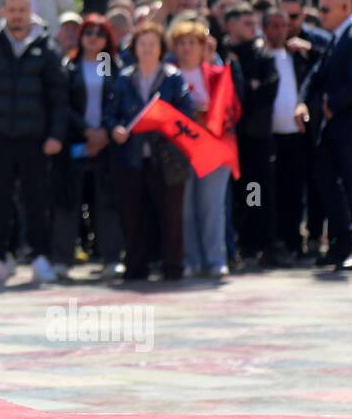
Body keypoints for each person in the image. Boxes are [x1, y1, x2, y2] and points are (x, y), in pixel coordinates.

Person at [0, 0, 68, 284]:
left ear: (30, 11)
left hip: (35, 141)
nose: (17, 16)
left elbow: (59, 99)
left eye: (22, 10)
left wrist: (56, 135)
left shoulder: (47, 48)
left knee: (37, 202)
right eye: (12, 10)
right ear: (2, 12)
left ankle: (41, 258)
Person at [295, 0, 352, 272]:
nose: (320, 14)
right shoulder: (337, 38)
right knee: (325, 179)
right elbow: (316, 74)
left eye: (325, 9)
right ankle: (340, 244)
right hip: (333, 128)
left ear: (345, 8)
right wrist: (303, 102)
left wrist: (331, 103)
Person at [107, 22, 193, 282]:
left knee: (170, 213)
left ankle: (172, 265)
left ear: (161, 48)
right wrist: (116, 128)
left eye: (152, 44)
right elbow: (110, 114)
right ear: (135, 48)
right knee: (133, 212)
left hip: (165, 156)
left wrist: (164, 122)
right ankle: (136, 264)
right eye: (142, 44)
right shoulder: (124, 78)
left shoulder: (173, 77)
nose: (147, 49)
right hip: (132, 156)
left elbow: (185, 112)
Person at [52, 14, 123, 279]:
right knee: (68, 201)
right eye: (88, 32)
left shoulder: (109, 65)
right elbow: (64, 105)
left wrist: (103, 131)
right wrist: (86, 131)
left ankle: (111, 258)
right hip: (75, 142)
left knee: (107, 201)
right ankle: (62, 259)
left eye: (99, 33)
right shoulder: (70, 66)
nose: (93, 38)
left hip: (106, 144)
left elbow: (114, 100)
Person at [171, 18, 238, 279]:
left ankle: (215, 259)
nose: (187, 48)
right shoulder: (169, 75)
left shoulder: (217, 74)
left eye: (192, 43)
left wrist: (208, 115)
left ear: (202, 46)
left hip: (213, 150)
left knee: (212, 207)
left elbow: (233, 110)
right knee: (185, 208)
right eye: (181, 43)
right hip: (181, 149)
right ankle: (191, 260)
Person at [224, 3, 280, 267]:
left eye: (253, 23)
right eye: (246, 23)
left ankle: (259, 242)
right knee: (234, 193)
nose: (252, 28)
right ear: (231, 25)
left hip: (255, 138)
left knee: (255, 190)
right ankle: (239, 242)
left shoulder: (262, 56)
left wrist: (249, 91)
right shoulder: (223, 53)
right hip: (231, 137)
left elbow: (267, 90)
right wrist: (249, 88)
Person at [263, 6, 315, 259]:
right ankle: (271, 241)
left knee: (294, 190)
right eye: (274, 25)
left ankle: (295, 240)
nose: (280, 31)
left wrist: (309, 49)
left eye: (284, 25)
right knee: (265, 192)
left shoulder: (297, 56)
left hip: (295, 134)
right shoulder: (260, 57)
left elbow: (322, 66)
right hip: (267, 136)